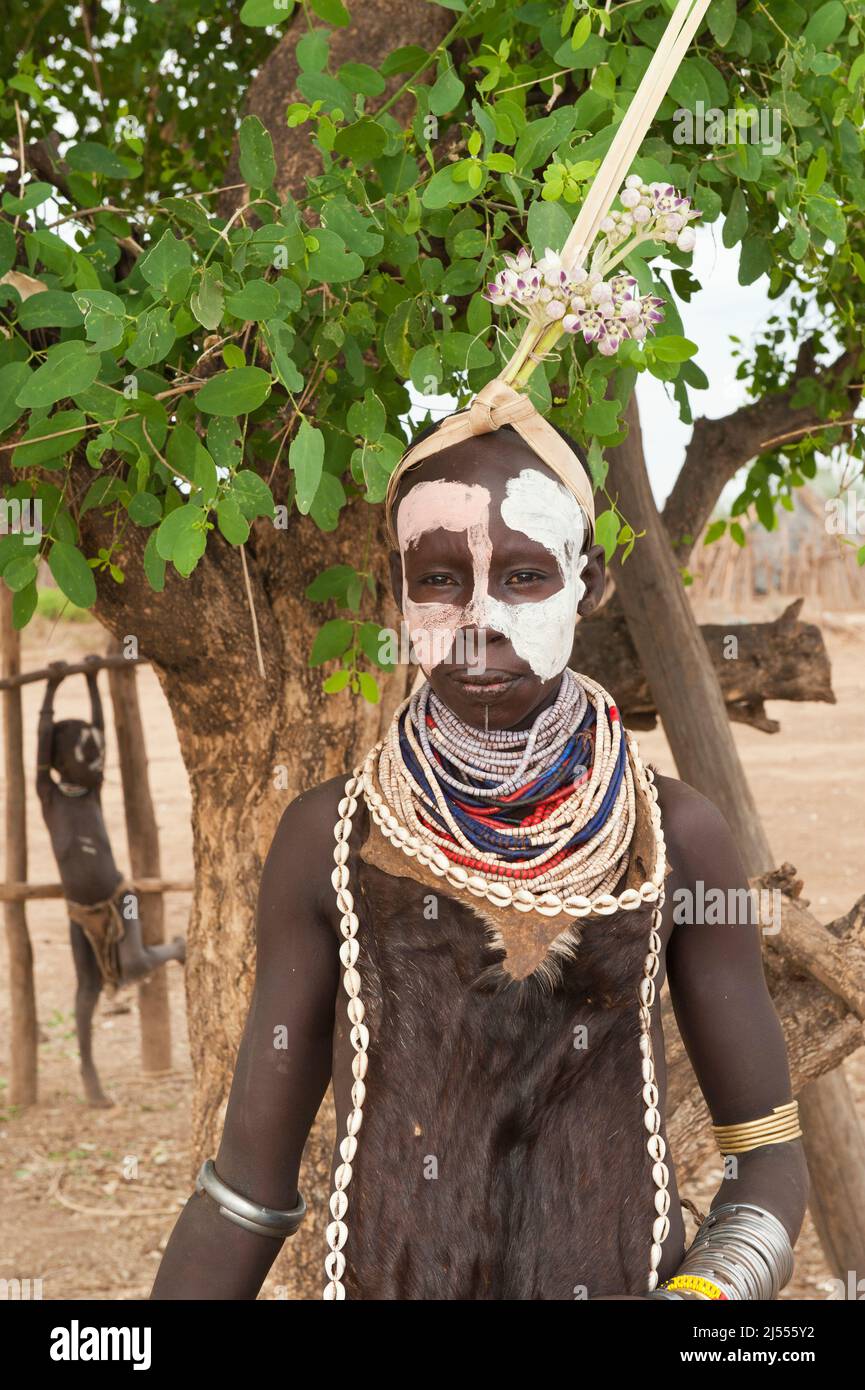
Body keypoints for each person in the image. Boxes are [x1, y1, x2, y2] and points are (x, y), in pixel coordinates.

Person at [152, 383, 808, 1301]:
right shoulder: (332, 841)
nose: (479, 622)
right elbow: (245, 1194)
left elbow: (766, 1161)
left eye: (525, 577)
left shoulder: (671, 840)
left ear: (588, 585)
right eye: (439, 580)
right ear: (399, 594)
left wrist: (705, 1298)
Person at [37, 656, 186, 1107]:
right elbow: (41, 744)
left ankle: (177, 950)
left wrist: (91, 680)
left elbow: (99, 731)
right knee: (87, 990)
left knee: (136, 962)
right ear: (61, 762)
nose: (94, 755)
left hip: (122, 900)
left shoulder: (94, 788)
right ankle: (88, 1070)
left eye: (95, 751)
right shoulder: (49, 795)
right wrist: (51, 689)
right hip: (81, 913)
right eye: (84, 752)